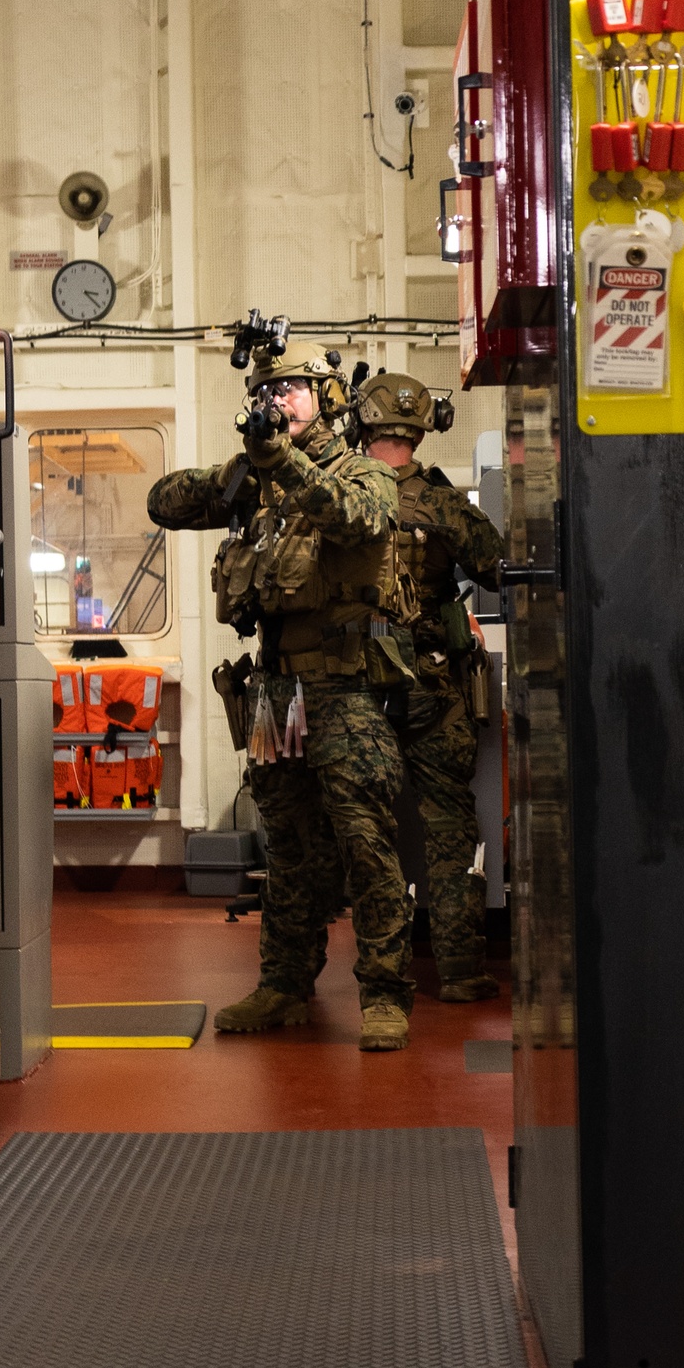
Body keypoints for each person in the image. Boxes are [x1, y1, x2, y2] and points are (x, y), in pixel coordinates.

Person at [147, 342, 418, 1050]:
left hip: (344, 688)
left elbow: (359, 519)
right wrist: (243, 465)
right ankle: (283, 986)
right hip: (273, 693)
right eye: (268, 390)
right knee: (288, 845)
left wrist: (285, 463)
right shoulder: (256, 477)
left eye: (293, 388)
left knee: (366, 843)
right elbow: (165, 502)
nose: (279, 400)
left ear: (327, 397)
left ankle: (386, 995)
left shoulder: (361, 472)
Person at [355, 370, 503, 1002]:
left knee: (364, 831)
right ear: (420, 430)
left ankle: (381, 980)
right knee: (448, 826)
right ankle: (463, 970)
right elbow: (496, 565)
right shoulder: (443, 504)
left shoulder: (340, 495)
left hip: (353, 689)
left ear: (364, 424)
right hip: (433, 683)